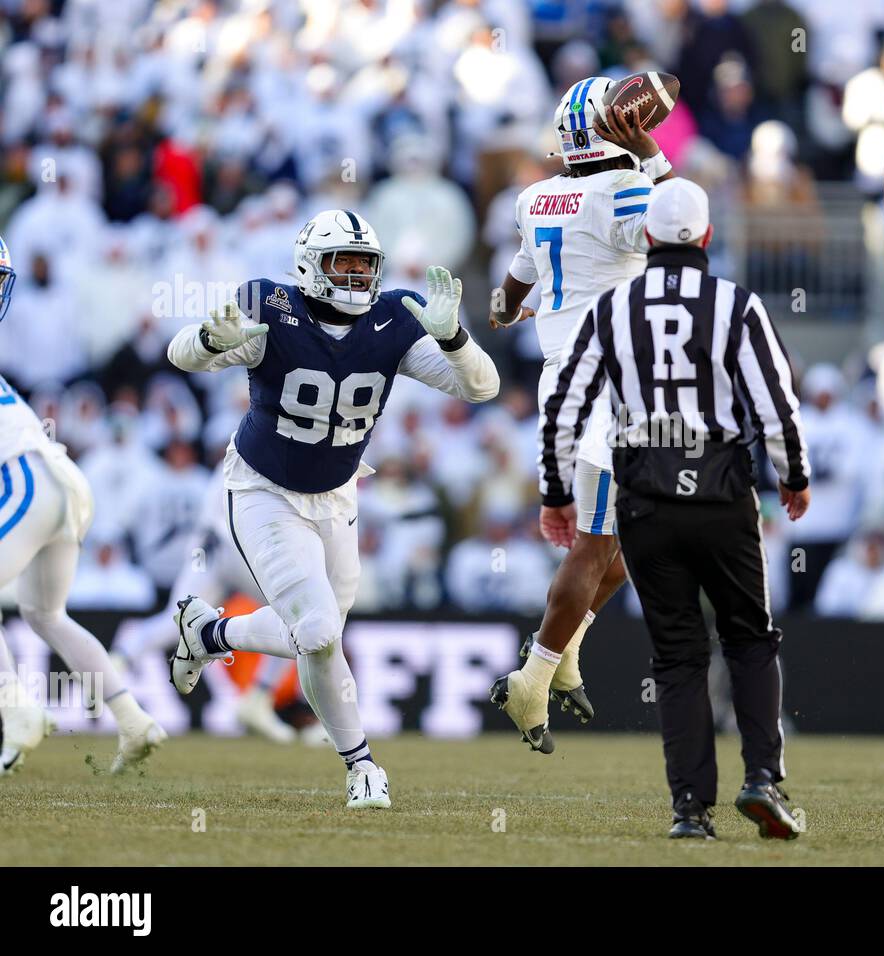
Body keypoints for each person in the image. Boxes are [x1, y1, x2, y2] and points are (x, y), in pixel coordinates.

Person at [165, 210, 499, 808]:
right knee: (317, 632)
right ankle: (362, 767)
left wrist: (453, 337)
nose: (354, 276)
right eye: (341, 263)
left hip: (338, 493)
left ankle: (209, 630)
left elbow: (480, 388)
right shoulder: (272, 308)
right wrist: (212, 339)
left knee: (321, 629)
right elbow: (180, 356)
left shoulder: (392, 317)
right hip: (264, 488)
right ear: (310, 266)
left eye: (363, 264)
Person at [539, 178, 811, 841]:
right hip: (719, 484)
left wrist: (555, 492)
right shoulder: (735, 305)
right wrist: (794, 475)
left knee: (678, 657)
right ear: (709, 236)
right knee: (749, 637)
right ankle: (762, 778)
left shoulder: (612, 308)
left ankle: (690, 809)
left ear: (650, 238)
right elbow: (777, 402)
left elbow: (565, 407)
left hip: (643, 493)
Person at [486, 76, 675, 753]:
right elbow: (678, 236)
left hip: (565, 378)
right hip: (612, 383)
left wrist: (525, 309)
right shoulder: (624, 188)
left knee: (624, 546)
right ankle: (533, 680)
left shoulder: (535, 198)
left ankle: (562, 653)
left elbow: (506, 300)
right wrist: (653, 155)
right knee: (598, 544)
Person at [0, 232, 165, 775]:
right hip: (62, 481)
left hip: (28, 478)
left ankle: (17, 708)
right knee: (45, 613)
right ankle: (133, 719)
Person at [108, 467, 301, 744]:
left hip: (212, 544)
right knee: (295, 617)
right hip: (235, 546)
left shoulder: (249, 442)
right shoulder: (265, 443)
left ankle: (117, 660)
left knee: (177, 619)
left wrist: (208, 532)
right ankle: (259, 697)